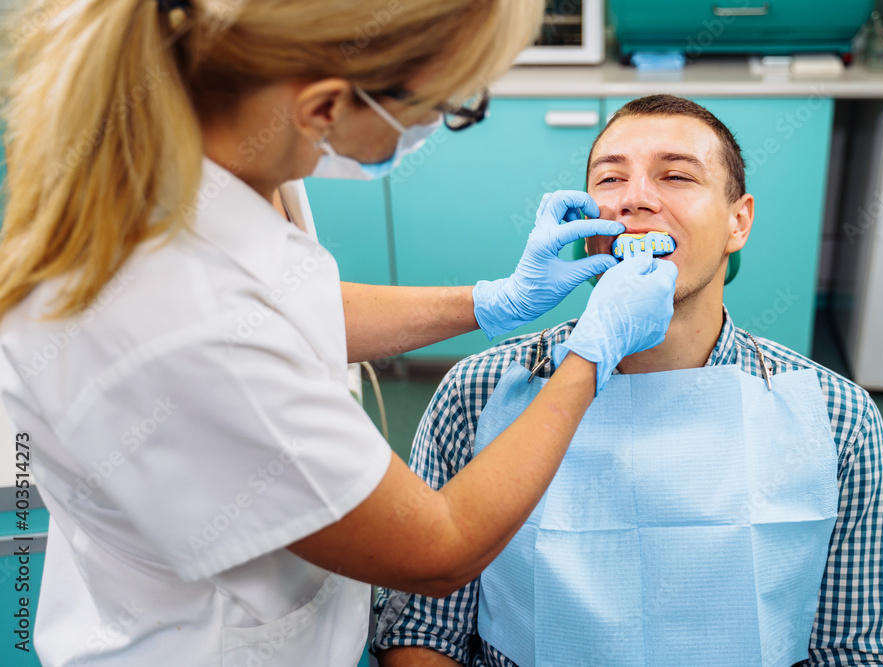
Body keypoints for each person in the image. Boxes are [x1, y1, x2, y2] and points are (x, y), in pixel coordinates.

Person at [0, 2, 678, 665]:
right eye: (447, 105)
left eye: (676, 176)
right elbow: (439, 550)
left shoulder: (235, 156)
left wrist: (488, 303)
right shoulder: (170, 317)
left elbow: (282, 306)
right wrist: (591, 354)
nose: (637, 199)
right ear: (324, 106)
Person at [374, 95, 883, 666]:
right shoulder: (477, 394)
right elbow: (423, 631)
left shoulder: (835, 418)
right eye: (610, 179)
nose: (635, 199)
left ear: (738, 221)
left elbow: (857, 650)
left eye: (676, 175)